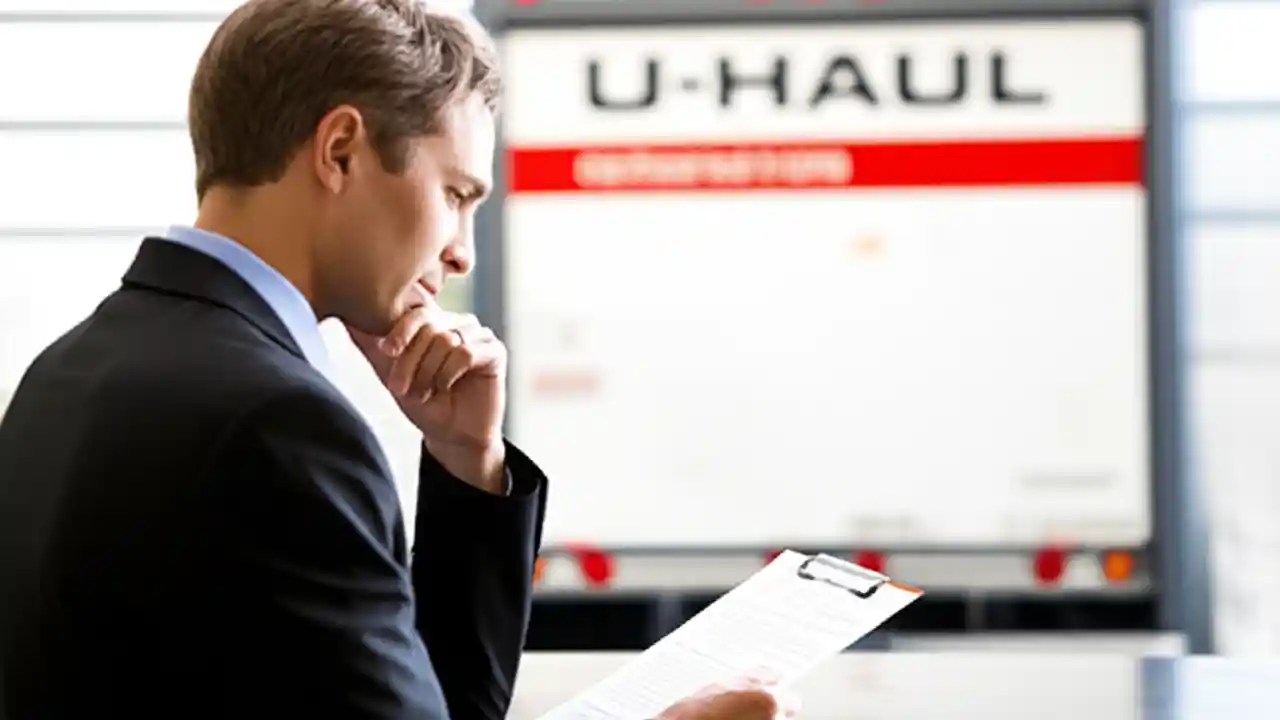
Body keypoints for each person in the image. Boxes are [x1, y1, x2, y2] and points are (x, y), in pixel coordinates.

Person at [0, 1, 792, 718]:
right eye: (456, 194)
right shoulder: (277, 423)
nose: (461, 254)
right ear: (340, 150)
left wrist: (464, 458)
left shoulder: (65, 374)